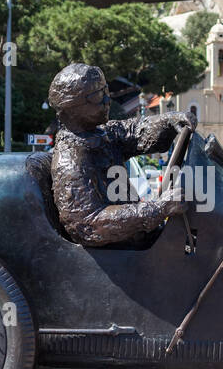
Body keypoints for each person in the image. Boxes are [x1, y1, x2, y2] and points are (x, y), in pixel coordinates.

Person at [48, 63, 192, 247]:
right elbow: (89, 224)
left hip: (142, 244)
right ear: (72, 107)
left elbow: (137, 131)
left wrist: (169, 121)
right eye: (98, 96)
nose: (107, 100)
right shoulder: (70, 161)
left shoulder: (103, 133)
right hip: (123, 259)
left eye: (106, 91)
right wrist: (158, 208)